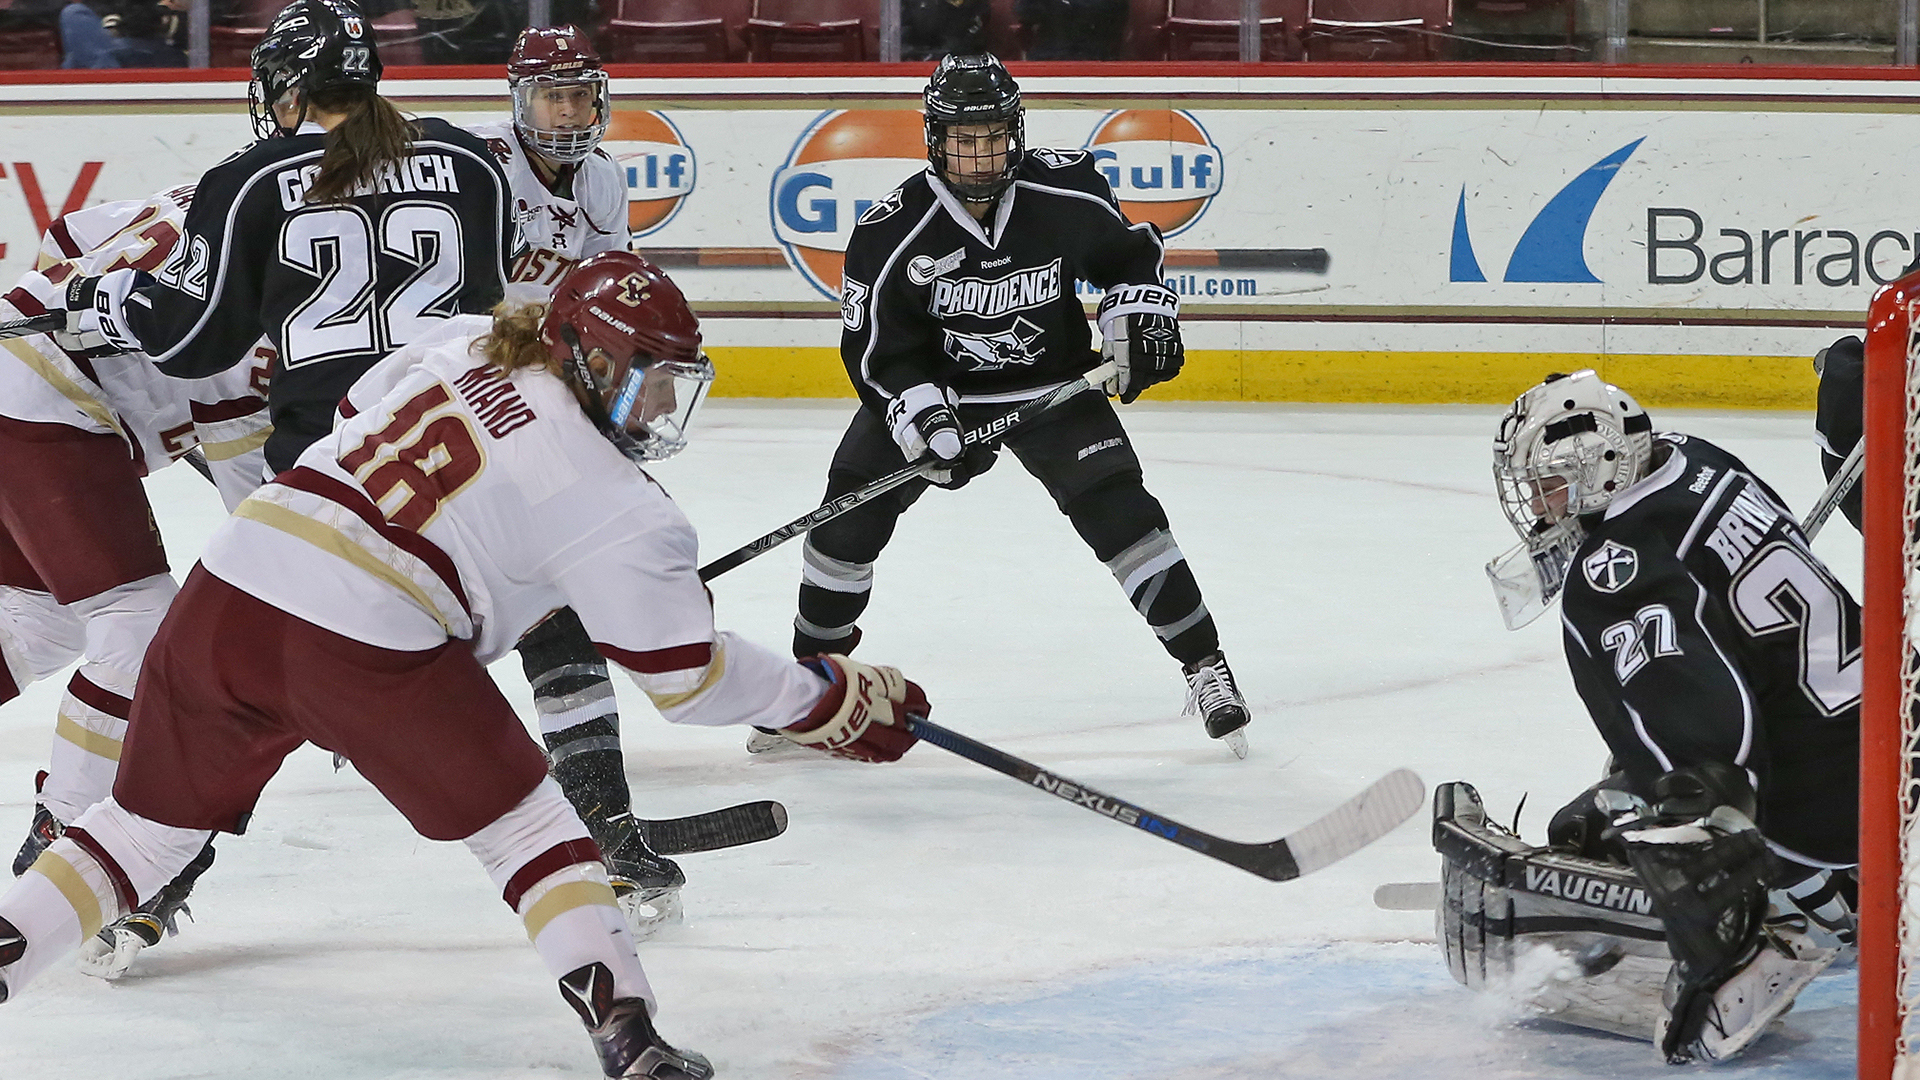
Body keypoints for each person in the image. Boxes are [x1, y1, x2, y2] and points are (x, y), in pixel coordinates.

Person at [0, 251, 930, 1080]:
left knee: (139, 832)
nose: (657, 407)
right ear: (590, 359)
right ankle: (629, 1036)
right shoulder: (622, 508)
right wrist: (830, 700)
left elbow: (362, 408)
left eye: (672, 385)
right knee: (529, 831)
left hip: (236, 582)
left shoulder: (471, 342)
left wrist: (497, 544)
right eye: (646, 381)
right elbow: (687, 679)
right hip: (367, 636)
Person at [44, 0, 512, 971]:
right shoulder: (470, 163)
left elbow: (193, 339)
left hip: (341, 482)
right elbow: (495, 313)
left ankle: (151, 867)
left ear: (290, 90)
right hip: (468, 470)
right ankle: (601, 822)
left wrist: (110, 296)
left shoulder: (255, 180)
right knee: (533, 628)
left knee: (230, 680)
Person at [774, 52, 1251, 758]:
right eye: (964, 138)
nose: (980, 152)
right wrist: (925, 423)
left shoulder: (1065, 191)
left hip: (1052, 386)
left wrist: (1138, 312)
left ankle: (1205, 665)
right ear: (934, 138)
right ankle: (809, 693)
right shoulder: (890, 233)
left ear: (1015, 130)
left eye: (993, 134)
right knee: (845, 522)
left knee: (1125, 517)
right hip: (942, 392)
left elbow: (1127, 257)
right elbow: (877, 356)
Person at [1449, 369, 1860, 1063]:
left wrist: (1674, 813)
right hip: (1883, 729)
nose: (1539, 506)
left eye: (1549, 484)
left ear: (1602, 465)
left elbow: (1718, 740)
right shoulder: (1692, 460)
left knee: (1662, 810)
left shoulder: (1614, 568)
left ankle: (1808, 907)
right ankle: (1835, 884)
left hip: (1835, 812)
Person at [2, 184, 271, 977]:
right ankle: (69, 830)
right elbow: (264, 528)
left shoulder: (207, 195)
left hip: (25, 385)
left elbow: (67, 235)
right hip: (50, 409)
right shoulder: (273, 305)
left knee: (39, 621)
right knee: (138, 617)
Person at [467, 24, 688, 936]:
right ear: (517, 100)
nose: (566, 112)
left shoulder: (601, 178)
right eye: (549, 95)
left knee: (563, 605)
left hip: (551, 394)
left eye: (578, 95)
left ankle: (600, 814)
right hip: (470, 390)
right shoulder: (478, 173)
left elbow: (599, 295)